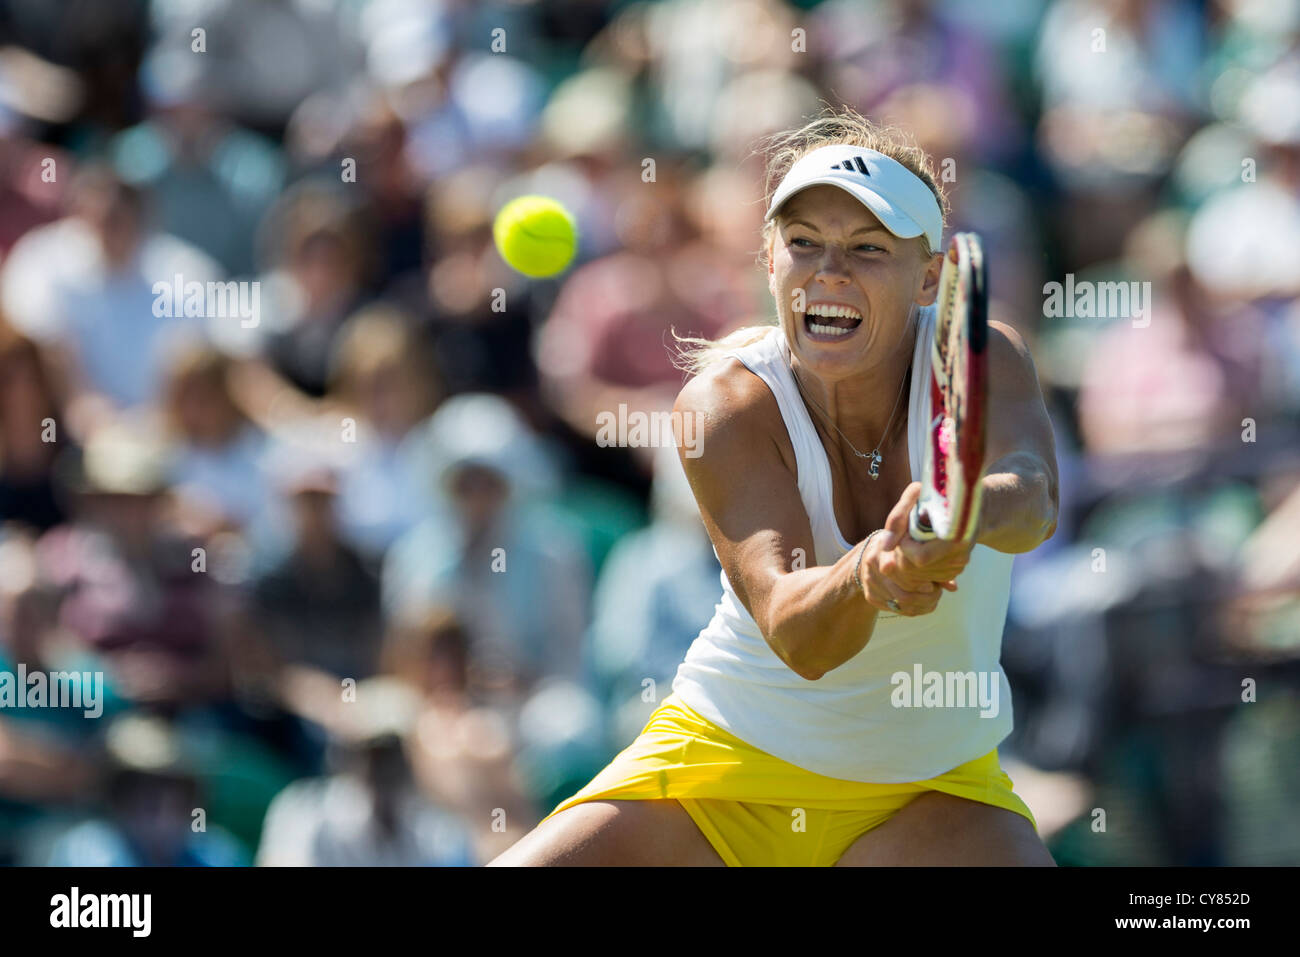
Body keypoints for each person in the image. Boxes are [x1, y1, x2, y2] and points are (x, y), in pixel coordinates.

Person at [491, 107, 1060, 866]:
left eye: (868, 248)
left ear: (929, 275)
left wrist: (963, 511)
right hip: (722, 762)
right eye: (803, 242)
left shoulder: (984, 353)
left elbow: (1034, 502)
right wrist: (875, 570)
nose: (830, 270)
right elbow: (800, 636)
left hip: (933, 792)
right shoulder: (725, 405)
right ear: (769, 261)